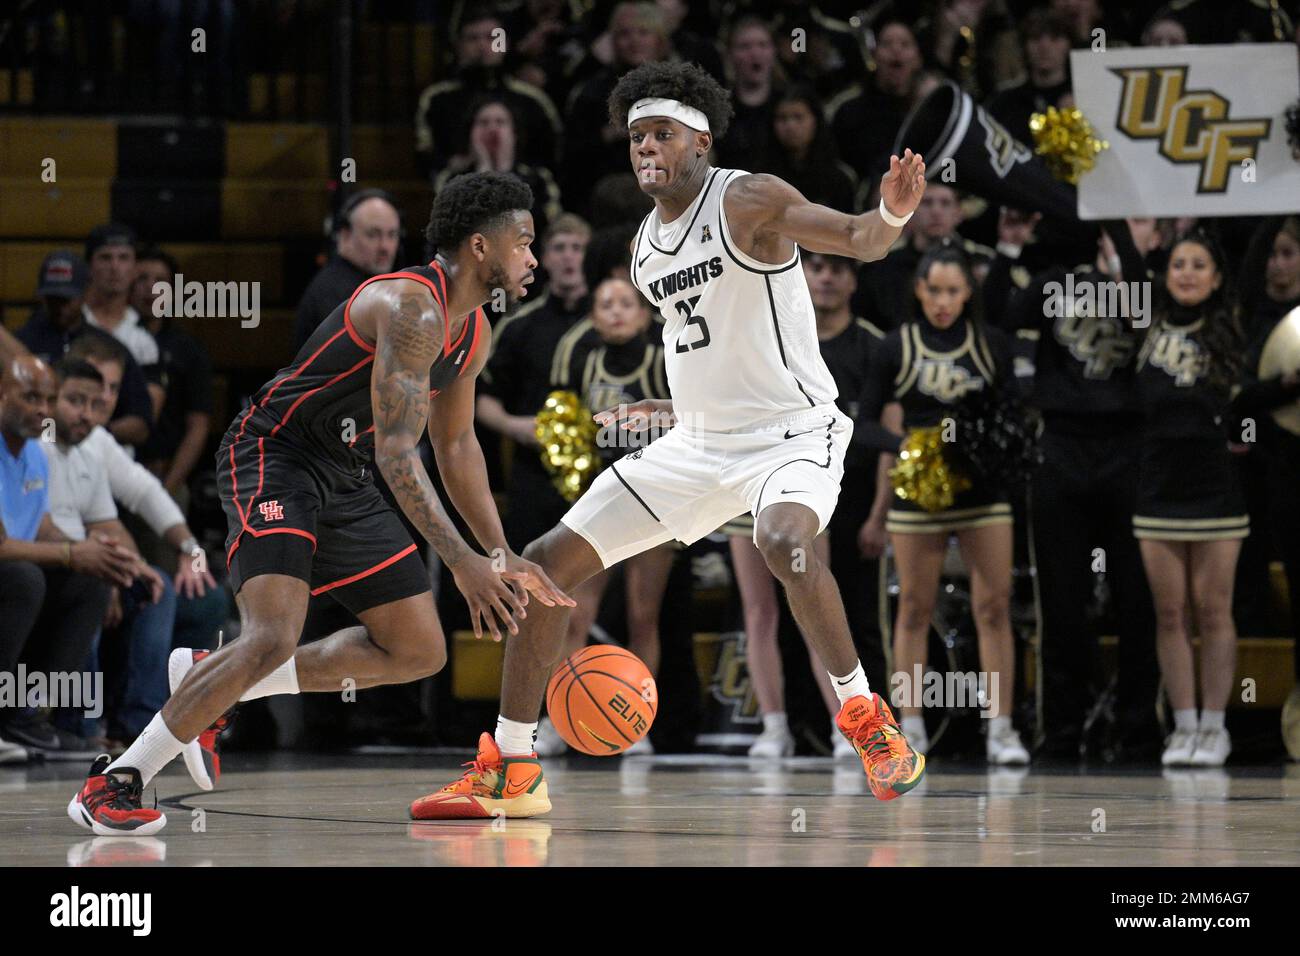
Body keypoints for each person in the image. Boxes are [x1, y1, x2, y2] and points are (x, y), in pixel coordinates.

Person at [411, 60, 929, 820]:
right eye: (635, 137)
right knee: (547, 565)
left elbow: (859, 240)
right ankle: (513, 767)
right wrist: (670, 403)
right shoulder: (646, 249)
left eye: (661, 133)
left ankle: (867, 720)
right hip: (696, 443)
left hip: (791, 433)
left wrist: (889, 213)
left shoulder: (746, 196)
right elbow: (702, 342)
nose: (645, 147)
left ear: (700, 140)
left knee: (782, 542)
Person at [67, 171, 574, 836]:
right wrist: (462, 563)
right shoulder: (412, 309)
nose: (533, 259)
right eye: (525, 243)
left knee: (418, 649)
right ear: (481, 247)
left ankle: (214, 678)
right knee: (274, 633)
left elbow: (455, 449)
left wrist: (499, 555)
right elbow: (400, 454)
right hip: (274, 457)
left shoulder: (472, 329)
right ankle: (117, 780)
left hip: (347, 475)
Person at [988, 216, 1162, 759]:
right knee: (1060, 598)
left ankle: (1137, 728)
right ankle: (1062, 727)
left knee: (1138, 596)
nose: (1123, 233)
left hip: (1128, 447)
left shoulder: (1155, 285)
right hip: (1061, 445)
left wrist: (1124, 243)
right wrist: (1009, 247)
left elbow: (1140, 313)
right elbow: (998, 323)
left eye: (1137, 225)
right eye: (1117, 223)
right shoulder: (1053, 283)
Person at [854, 244, 1029, 765]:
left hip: (982, 495)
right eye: (934, 291)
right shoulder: (895, 347)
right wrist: (907, 448)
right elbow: (862, 425)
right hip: (917, 495)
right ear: (919, 290)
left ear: (969, 292)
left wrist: (986, 449)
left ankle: (1001, 728)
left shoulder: (992, 344)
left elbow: (1013, 420)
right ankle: (911, 726)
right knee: (912, 607)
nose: (943, 302)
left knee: (994, 607)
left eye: (954, 291)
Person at [742, 250, 894, 760]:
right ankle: (774, 727)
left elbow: (883, 431)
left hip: (803, 484)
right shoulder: (767, 331)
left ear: (853, 282)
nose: (825, 278)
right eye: (817, 268)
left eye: (837, 269)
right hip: (742, 475)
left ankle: (844, 726)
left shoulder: (869, 345)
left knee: (812, 608)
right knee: (759, 613)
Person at [532, 275, 674, 757]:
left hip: (656, 505)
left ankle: (637, 723)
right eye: (605, 303)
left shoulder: (662, 362)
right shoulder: (582, 359)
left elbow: (688, 424)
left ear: (643, 314)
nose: (616, 312)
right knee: (575, 615)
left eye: (625, 304)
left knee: (643, 616)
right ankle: (556, 719)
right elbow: (561, 423)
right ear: (593, 315)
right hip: (601, 503)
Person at [1134, 231, 1249, 767]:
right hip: (1158, 487)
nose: (1186, 273)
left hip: (1215, 488)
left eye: (1199, 264)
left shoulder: (1231, 329)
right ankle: (1182, 725)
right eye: (1178, 263)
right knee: (1170, 611)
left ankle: (1215, 725)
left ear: (1218, 276)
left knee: (1213, 607)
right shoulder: (1146, 322)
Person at [0, 354, 136, 761]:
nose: (42, 409)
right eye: (29, 397)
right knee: (26, 578)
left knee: (90, 584)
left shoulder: (34, 454)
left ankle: (25, 716)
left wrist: (94, 554)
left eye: (48, 399)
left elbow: (39, 524)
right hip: (12, 577)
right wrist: (71, 553)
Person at [41, 358, 172, 745]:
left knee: (154, 586)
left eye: (95, 404)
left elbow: (107, 523)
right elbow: (39, 524)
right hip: (44, 561)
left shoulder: (89, 452)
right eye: (74, 401)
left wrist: (133, 565)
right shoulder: (36, 444)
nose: (86, 414)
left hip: (75, 557)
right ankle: (75, 724)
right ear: (51, 400)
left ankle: (143, 728)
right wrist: (105, 569)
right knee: (89, 585)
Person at [477, 213, 592, 552]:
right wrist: (514, 426)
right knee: (530, 563)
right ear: (544, 258)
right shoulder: (518, 325)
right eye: (559, 248)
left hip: (599, 469)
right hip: (534, 471)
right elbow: (483, 398)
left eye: (577, 247)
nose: (569, 256)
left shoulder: (614, 318)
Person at [17, 251, 154, 449]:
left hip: (99, 451)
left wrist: (94, 431)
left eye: (67, 299)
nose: (60, 308)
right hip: (34, 446)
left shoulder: (109, 347)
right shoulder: (22, 343)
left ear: (85, 293)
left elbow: (141, 421)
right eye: (53, 299)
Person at [131, 246, 215, 500]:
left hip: (164, 476)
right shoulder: (111, 342)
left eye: (160, 281)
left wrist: (169, 487)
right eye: (142, 279)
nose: (150, 288)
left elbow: (198, 425)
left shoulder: (187, 350)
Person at [292, 190, 402, 350]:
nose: (385, 246)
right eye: (373, 235)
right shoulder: (333, 292)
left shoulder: (361, 285)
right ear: (345, 236)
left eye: (392, 235)